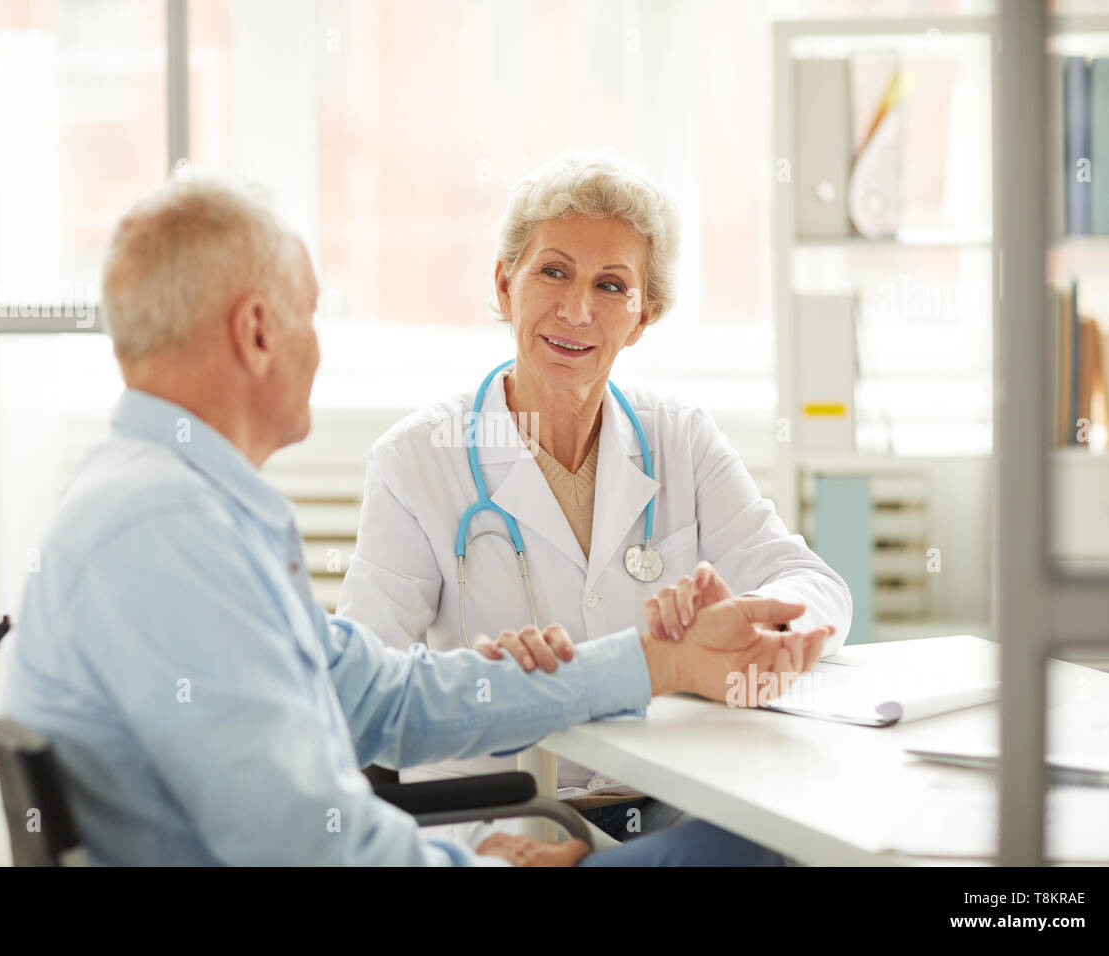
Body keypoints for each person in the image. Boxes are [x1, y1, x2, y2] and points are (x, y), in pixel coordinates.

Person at [0, 172, 835, 866]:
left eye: (610, 286)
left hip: (594, 805)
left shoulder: (171, 500)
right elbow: (298, 843)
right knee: (751, 852)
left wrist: (655, 661)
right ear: (257, 331)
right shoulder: (167, 529)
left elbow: (380, 693)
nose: (318, 350)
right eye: (312, 314)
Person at [336, 151, 853, 859]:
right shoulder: (418, 458)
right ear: (504, 283)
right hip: (500, 817)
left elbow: (816, 587)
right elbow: (360, 696)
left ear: (645, 315)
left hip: (672, 801)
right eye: (553, 271)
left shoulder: (680, 438)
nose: (577, 309)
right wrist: (485, 828)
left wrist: (742, 625)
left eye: (612, 285)